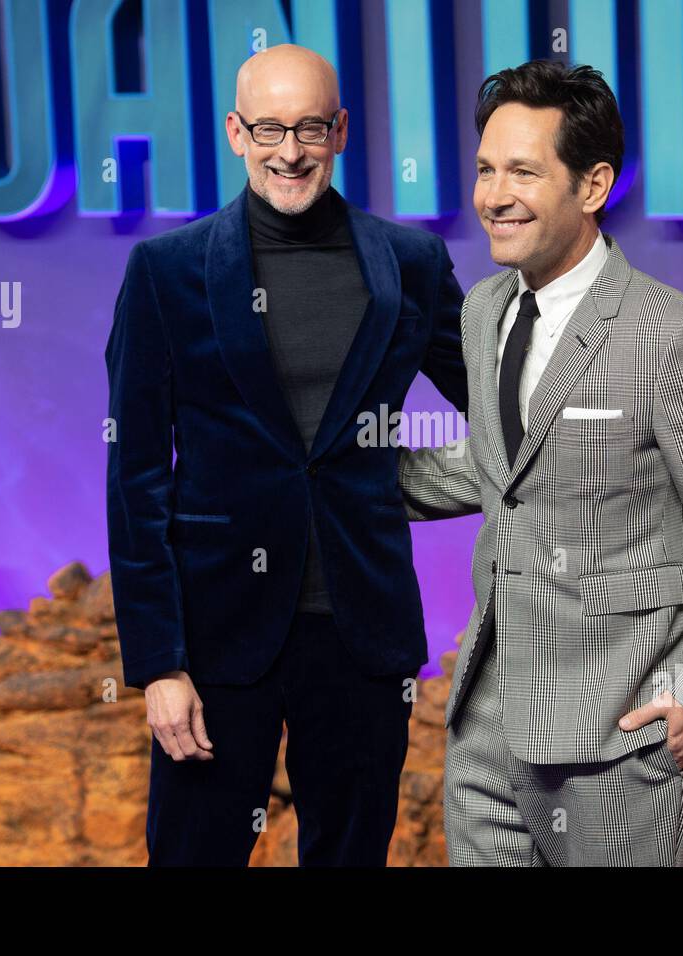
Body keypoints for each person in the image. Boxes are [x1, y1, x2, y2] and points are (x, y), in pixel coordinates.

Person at [398, 59, 683, 866]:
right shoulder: (484, 309)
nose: (493, 195)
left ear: (594, 185)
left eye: (524, 172)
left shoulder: (674, 337)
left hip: (618, 732)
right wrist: (344, 478)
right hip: (484, 728)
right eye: (485, 169)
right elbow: (503, 465)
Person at [105, 44, 468, 866]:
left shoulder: (409, 264)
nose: (290, 149)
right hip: (215, 640)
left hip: (361, 630)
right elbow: (134, 477)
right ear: (236, 132)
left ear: (340, 132)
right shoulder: (166, 272)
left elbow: (498, 403)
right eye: (269, 127)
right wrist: (157, 664)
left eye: (310, 127)